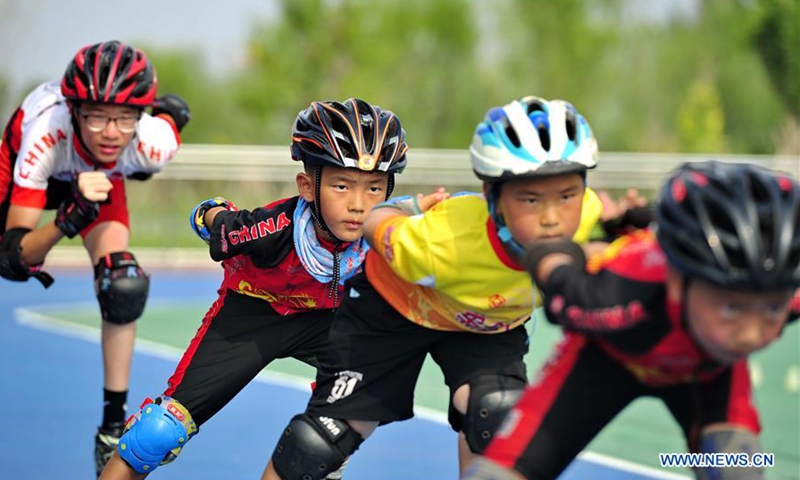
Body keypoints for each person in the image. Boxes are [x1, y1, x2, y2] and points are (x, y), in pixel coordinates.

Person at [259, 96, 651, 480]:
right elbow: (376, 219)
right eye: (529, 199)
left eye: (566, 195)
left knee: (498, 420)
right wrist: (406, 210)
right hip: (395, 307)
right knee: (318, 444)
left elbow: (610, 220)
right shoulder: (440, 241)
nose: (551, 218)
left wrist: (623, 224)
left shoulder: (588, 216)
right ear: (492, 198)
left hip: (483, 323)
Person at [97, 98, 411, 479]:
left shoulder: (392, 232)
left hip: (329, 324)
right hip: (251, 317)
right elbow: (207, 217)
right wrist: (215, 216)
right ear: (307, 187)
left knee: (320, 444)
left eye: (375, 188)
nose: (359, 205)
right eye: (342, 185)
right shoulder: (271, 229)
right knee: (157, 432)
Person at [463, 160, 800, 480]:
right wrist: (582, 251)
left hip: (709, 371)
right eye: (731, 308)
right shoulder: (614, 295)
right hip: (606, 361)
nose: (749, 334)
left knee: (738, 468)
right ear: (677, 283)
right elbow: (546, 260)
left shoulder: (783, 291)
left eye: (772, 309)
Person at [0, 40, 190, 476]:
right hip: (35, 171)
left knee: (122, 281)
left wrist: (86, 205)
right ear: (74, 110)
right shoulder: (45, 132)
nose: (110, 132)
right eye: (97, 116)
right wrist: (64, 222)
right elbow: (13, 261)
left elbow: (172, 113)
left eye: (124, 118)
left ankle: (111, 426)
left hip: (99, 180)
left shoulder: (152, 143)